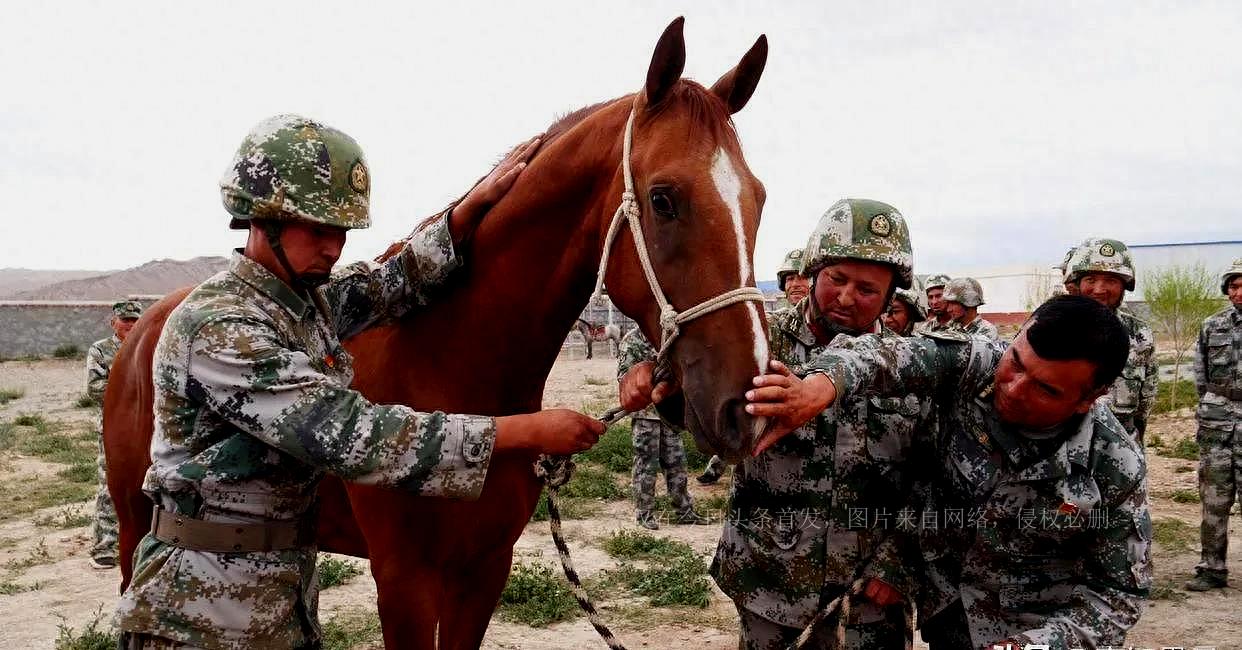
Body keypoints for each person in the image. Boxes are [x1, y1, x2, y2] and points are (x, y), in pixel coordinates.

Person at [114, 114, 604, 649]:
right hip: (198, 612)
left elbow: (386, 285)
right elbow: (354, 436)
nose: (334, 247)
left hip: (273, 599)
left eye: (341, 232)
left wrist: (467, 214)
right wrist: (527, 432)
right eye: (317, 229)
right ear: (263, 220)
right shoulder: (222, 326)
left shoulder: (299, 304)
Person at [745, 295, 1152, 649]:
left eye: (1044, 389)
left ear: (1090, 398)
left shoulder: (1114, 464)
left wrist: (1033, 647)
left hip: (1039, 628)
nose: (1012, 389)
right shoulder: (978, 366)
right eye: (1016, 362)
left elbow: (1118, 593)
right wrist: (819, 386)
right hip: (950, 619)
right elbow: (887, 355)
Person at [621, 198, 923, 648]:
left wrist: (902, 562)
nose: (845, 298)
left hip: (870, 598)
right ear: (815, 270)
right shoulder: (758, 339)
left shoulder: (910, 365)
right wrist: (641, 371)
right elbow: (671, 352)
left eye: (866, 290)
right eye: (836, 279)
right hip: (770, 583)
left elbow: (938, 475)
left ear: (891, 297)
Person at [1062, 237, 1157, 443]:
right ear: (1077, 283)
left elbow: (1146, 398)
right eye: (1091, 280)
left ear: (1125, 286)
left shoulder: (1140, 333)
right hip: (1065, 447)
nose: (1099, 289)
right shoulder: (1053, 328)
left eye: (1110, 281)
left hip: (1122, 446)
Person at [1184, 257, 1242, 592]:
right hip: (1217, 423)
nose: (1239, 291)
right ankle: (1212, 569)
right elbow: (1200, 374)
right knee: (1214, 498)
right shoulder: (1212, 325)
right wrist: (1209, 406)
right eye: (1233, 285)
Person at [616, 329, 710, 529]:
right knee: (645, 466)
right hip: (646, 416)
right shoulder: (632, 340)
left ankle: (685, 511)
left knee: (677, 463)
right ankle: (645, 514)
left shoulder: (671, 340)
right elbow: (624, 379)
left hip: (670, 414)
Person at [85, 299, 144, 569]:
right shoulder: (101, 350)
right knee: (110, 486)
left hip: (144, 430)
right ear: (114, 322)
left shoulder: (147, 349)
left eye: (135, 320)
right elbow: (95, 389)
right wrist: (134, 389)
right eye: (125, 320)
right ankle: (105, 547)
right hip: (114, 431)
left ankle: (139, 543)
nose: (130, 325)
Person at [771, 248, 811, 313]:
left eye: (803, 278)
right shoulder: (783, 320)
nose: (795, 284)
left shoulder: (829, 319)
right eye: (790, 279)